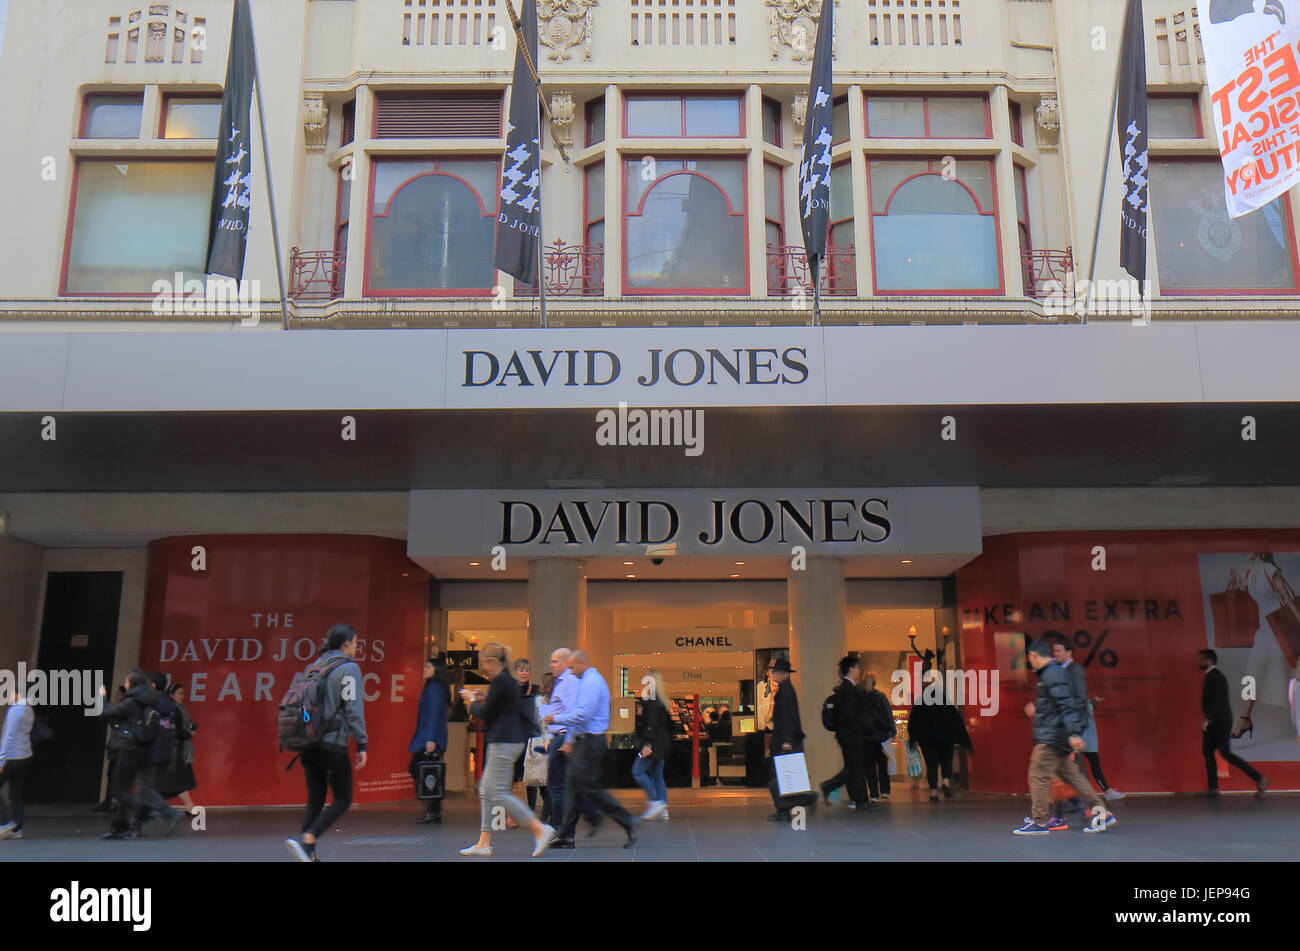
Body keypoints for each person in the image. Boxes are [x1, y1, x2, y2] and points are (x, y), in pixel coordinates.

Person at [457, 643, 555, 857]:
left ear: (492, 661)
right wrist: (483, 698)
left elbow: (488, 712)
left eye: (484, 662)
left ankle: (539, 829)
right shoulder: (505, 682)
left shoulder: (501, 681)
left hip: (503, 741)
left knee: (497, 792)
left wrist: (472, 702)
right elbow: (501, 707)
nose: (483, 667)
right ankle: (484, 841)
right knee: (486, 790)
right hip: (506, 740)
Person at [284, 624, 369, 862]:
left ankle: (307, 854)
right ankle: (309, 839)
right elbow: (353, 709)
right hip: (333, 742)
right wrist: (362, 743)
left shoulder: (312, 668)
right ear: (345, 644)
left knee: (316, 798)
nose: (356, 646)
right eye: (355, 642)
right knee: (343, 798)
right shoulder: (349, 668)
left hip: (308, 742)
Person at [1013, 640, 1113, 835]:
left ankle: (1039, 822)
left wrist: (1074, 733)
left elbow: (1066, 704)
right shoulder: (1051, 674)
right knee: (1072, 777)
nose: (1030, 663)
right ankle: (1102, 813)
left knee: (1037, 776)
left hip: (1051, 736)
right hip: (1057, 735)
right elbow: (1056, 704)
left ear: (1034, 655)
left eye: (1030, 659)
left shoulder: (1051, 673)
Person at [545, 649, 638, 850]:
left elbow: (582, 714)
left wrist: (556, 718)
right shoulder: (584, 681)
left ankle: (625, 820)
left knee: (590, 789)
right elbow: (579, 718)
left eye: (572, 667)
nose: (570, 671)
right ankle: (566, 835)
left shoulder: (591, 682)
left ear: (580, 663)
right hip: (582, 742)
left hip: (590, 743)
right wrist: (569, 740)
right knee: (571, 789)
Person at [97, 670, 179, 840]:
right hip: (146, 749)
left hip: (129, 749)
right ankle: (121, 827)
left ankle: (148, 813)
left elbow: (104, 713)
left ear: (132, 684)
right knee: (132, 789)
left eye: (126, 682)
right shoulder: (153, 699)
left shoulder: (132, 701)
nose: (124, 685)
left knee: (118, 790)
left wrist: (102, 697)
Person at [1050, 640, 1124, 802]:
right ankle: (1094, 797)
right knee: (1076, 769)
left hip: (1080, 736)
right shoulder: (1065, 677)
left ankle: (1091, 799)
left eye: (1058, 650)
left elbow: (1082, 704)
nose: (1055, 654)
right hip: (1079, 736)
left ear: (1068, 652)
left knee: (1076, 769)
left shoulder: (1073, 673)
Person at [539, 648, 601, 835]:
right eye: (551, 661)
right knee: (564, 786)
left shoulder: (569, 682)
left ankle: (560, 829)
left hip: (564, 737)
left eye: (556, 661)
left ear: (567, 662)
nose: (552, 665)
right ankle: (565, 828)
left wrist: (567, 739)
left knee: (557, 787)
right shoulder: (564, 682)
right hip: (559, 737)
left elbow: (572, 714)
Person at [1199, 648, 1268, 796]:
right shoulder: (1211, 676)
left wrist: (1208, 719)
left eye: (1202, 659)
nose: (1200, 662)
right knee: (1207, 751)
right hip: (1214, 723)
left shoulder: (1216, 676)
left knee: (1225, 753)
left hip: (1220, 722)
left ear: (1210, 660)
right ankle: (1213, 788)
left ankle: (1259, 778)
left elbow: (1217, 701)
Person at [766, 657, 817, 821]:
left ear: (781, 674)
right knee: (788, 776)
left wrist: (786, 741)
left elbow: (787, 717)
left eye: (774, 672)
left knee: (779, 777)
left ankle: (796, 803)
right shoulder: (787, 689)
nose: (772, 675)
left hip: (785, 740)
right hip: (788, 739)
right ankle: (788, 807)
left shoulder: (784, 692)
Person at [819, 656, 872, 810]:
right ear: (850, 669)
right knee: (854, 768)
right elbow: (850, 715)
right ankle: (830, 787)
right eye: (857, 667)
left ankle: (860, 799)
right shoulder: (848, 689)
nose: (859, 670)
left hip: (848, 736)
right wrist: (860, 731)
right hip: (851, 736)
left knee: (854, 767)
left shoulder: (847, 688)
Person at [907, 680, 973, 802]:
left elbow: (912, 722)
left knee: (931, 765)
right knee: (946, 762)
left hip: (928, 741)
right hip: (946, 739)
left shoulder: (920, 702)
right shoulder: (945, 701)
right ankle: (946, 782)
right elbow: (956, 720)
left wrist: (913, 739)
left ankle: (933, 792)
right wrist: (963, 739)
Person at [408, 657, 449, 824]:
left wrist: (431, 739)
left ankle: (432, 807)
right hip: (431, 736)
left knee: (418, 769)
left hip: (430, 737)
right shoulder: (435, 687)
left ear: (436, 670)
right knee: (431, 772)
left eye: (428, 667)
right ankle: (434, 810)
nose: (424, 669)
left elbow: (434, 713)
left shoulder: (433, 688)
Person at [632, 671, 672, 820]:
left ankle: (655, 802)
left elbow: (651, 724)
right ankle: (663, 808)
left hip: (653, 743)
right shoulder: (663, 701)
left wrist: (647, 743)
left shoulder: (652, 699)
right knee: (657, 775)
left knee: (638, 771)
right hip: (662, 743)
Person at [0, 687, 35, 840]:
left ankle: (4, 822)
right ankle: (17, 827)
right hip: (25, 754)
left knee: (13, 791)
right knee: (16, 792)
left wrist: (1, 759)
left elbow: (9, 736)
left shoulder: (16, 711)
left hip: (12, 756)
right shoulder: (29, 709)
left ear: (17, 693)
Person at [159, 683, 199, 816]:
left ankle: (189, 806)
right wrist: (189, 734)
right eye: (180, 693)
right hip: (173, 751)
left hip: (179, 750)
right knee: (172, 781)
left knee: (178, 781)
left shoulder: (180, 708)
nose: (183, 696)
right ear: (171, 694)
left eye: (183, 693)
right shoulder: (171, 709)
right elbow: (173, 730)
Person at [511, 658, 542, 820]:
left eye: (526, 669)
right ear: (515, 672)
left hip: (531, 738)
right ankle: (510, 814)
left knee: (533, 774)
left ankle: (531, 810)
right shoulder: (511, 691)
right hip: (515, 738)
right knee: (512, 776)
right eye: (521, 670)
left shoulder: (535, 690)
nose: (524, 672)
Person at [858, 671, 896, 803]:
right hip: (881, 736)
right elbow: (888, 715)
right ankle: (885, 791)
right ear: (875, 682)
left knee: (869, 766)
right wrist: (893, 731)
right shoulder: (880, 696)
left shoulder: (859, 698)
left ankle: (873, 794)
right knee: (882, 764)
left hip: (865, 737)